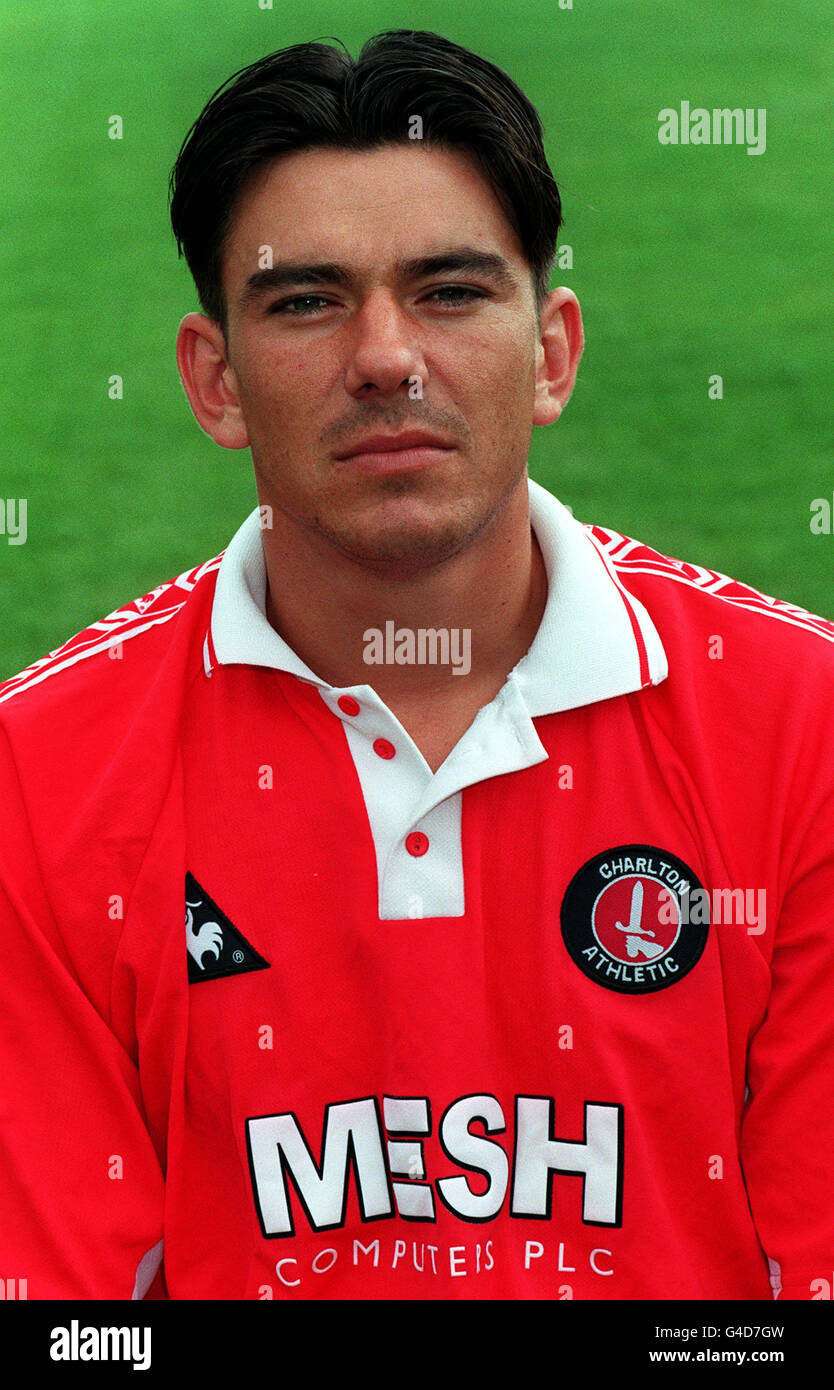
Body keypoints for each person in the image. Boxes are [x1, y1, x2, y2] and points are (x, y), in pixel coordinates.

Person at [1, 30, 832, 1302]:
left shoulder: (803, 729)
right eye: (307, 301)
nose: (387, 356)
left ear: (551, 353)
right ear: (214, 380)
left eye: (450, 291)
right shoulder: (38, 773)